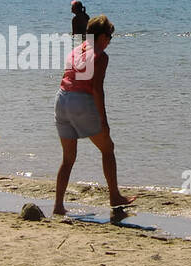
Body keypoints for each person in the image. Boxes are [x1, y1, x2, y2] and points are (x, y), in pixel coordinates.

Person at [53, 13, 135, 216]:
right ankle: (114, 196)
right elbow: (97, 89)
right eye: (109, 37)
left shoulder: (75, 51)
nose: (109, 42)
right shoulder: (101, 56)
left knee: (68, 158)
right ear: (102, 36)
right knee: (108, 148)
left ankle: (58, 206)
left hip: (61, 99)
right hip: (80, 101)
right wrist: (104, 121)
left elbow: (67, 77)